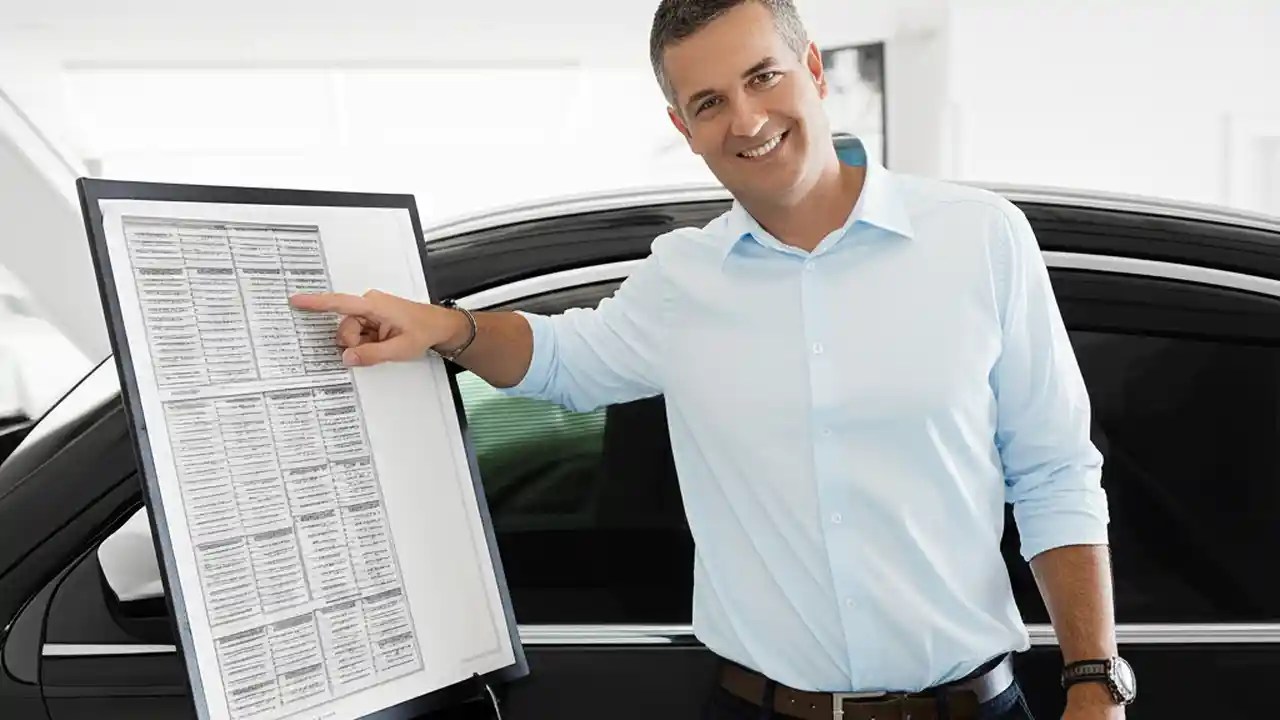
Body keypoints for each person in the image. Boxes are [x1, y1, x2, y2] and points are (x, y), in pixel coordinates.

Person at [290, 1, 1135, 718]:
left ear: (812, 66)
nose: (747, 120)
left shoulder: (978, 235)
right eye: (709, 101)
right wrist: (442, 326)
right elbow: (559, 358)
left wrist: (1094, 679)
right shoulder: (681, 280)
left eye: (764, 76)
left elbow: (1054, 470)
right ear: (682, 128)